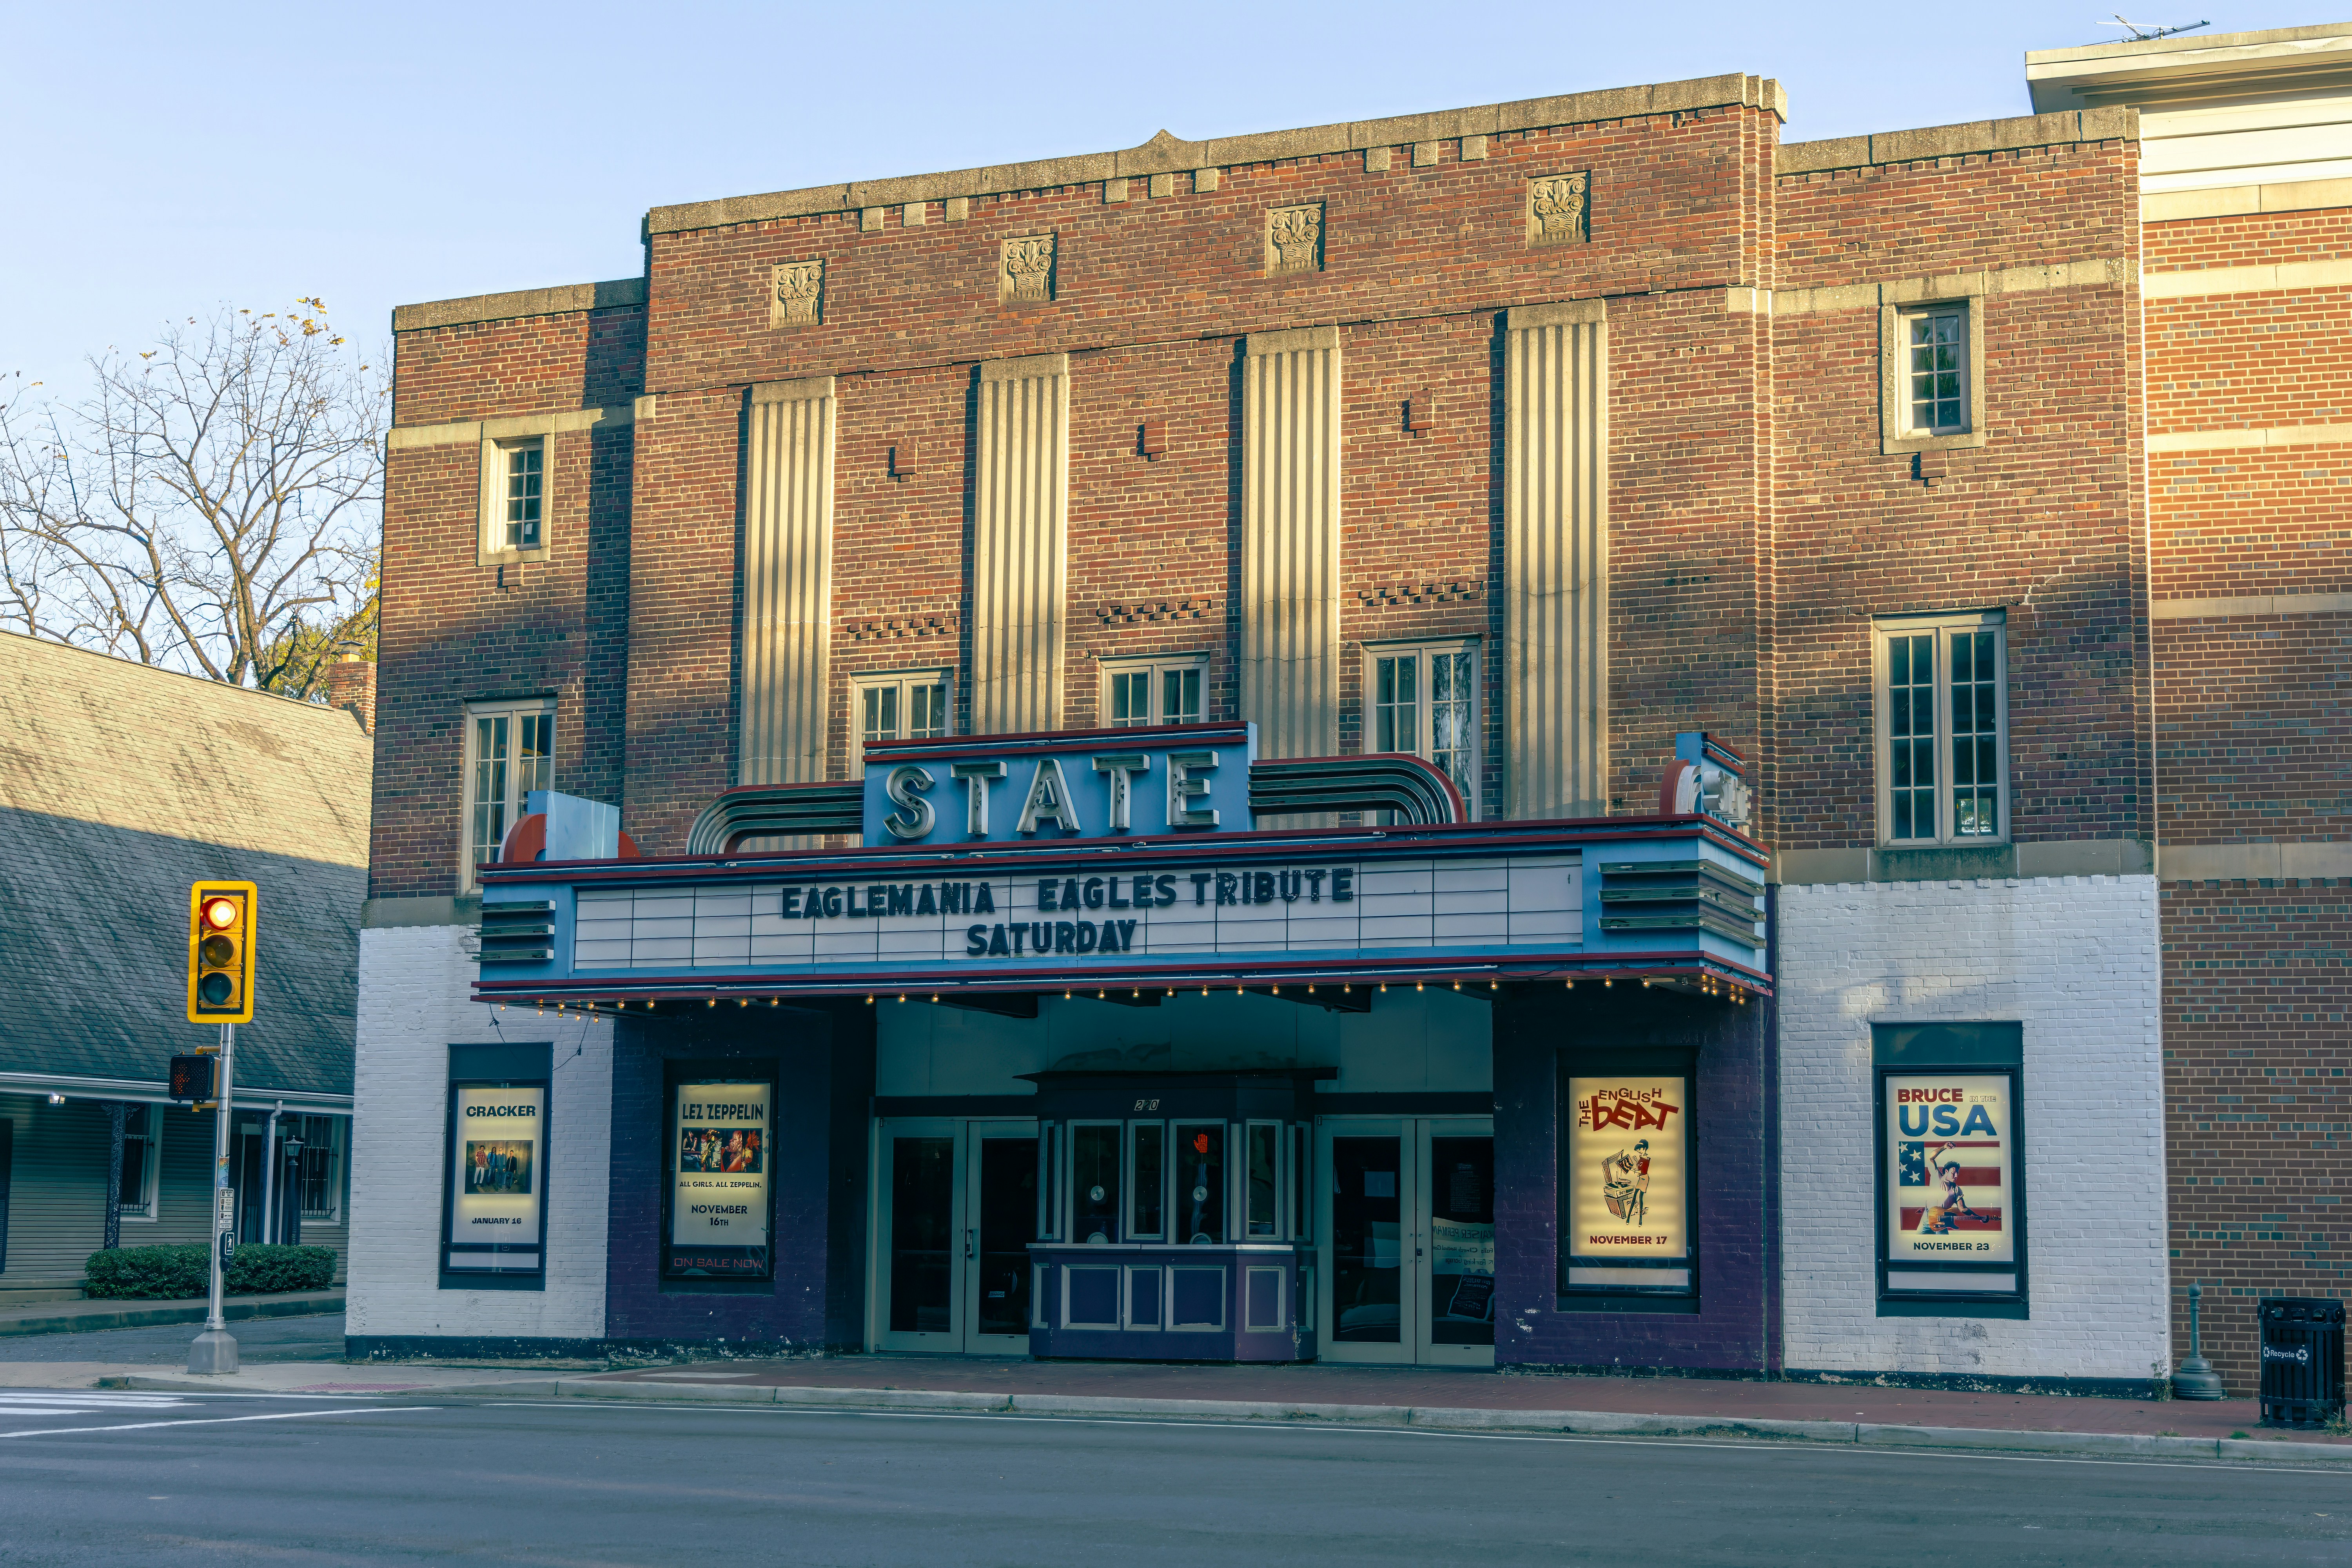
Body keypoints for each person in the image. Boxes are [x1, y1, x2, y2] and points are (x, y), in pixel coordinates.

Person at [1917, 1144, 1987, 1234]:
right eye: (1953, 1173)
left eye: (1957, 1173)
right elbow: (1930, 1158)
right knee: (1916, 1242)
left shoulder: (1957, 1190)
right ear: (1946, 1171)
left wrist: (1979, 1217)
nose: (1956, 1176)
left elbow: (1963, 1209)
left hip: (1942, 1224)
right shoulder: (1936, 1176)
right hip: (1926, 1220)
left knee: (1943, 1246)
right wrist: (1944, 1147)